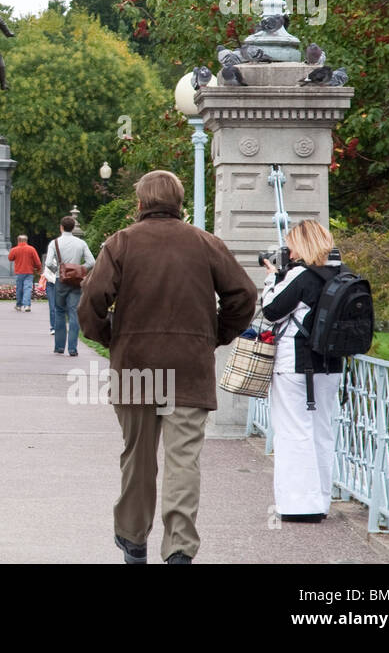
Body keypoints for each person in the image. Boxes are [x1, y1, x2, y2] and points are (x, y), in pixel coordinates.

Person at [78, 170, 256, 564]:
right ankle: (178, 549)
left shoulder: (120, 243)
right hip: (189, 368)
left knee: (137, 458)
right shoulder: (205, 243)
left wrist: (112, 339)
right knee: (183, 460)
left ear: (140, 204)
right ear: (179, 204)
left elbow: (91, 303)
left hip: (136, 368)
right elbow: (244, 295)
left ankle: (133, 539)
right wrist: (215, 335)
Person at [261, 220, 343, 523]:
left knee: (293, 432)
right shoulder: (342, 275)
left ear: (303, 245)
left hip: (296, 366)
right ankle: (320, 500)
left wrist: (272, 279)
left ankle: (299, 505)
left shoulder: (300, 277)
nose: (289, 250)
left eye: (292, 244)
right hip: (331, 366)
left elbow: (271, 311)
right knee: (321, 431)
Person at [45, 216, 96, 356]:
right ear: (73, 228)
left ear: (61, 227)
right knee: (74, 313)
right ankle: (73, 348)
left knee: (60, 312)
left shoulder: (54, 243)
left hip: (60, 281)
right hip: (76, 282)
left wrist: (59, 271)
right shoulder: (81, 243)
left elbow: (48, 263)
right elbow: (92, 262)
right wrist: (79, 269)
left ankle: (59, 347)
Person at [7, 234, 41, 311]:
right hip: (29, 272)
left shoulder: (14, 249)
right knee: (27, 288)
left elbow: (10, 258)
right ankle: (27, 306)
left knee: (19, 289)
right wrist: (39, 269)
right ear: (26, 240)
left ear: (18, 240)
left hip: (19, 272)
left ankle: (19, 305)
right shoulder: (31, 249)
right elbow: (37, 261)